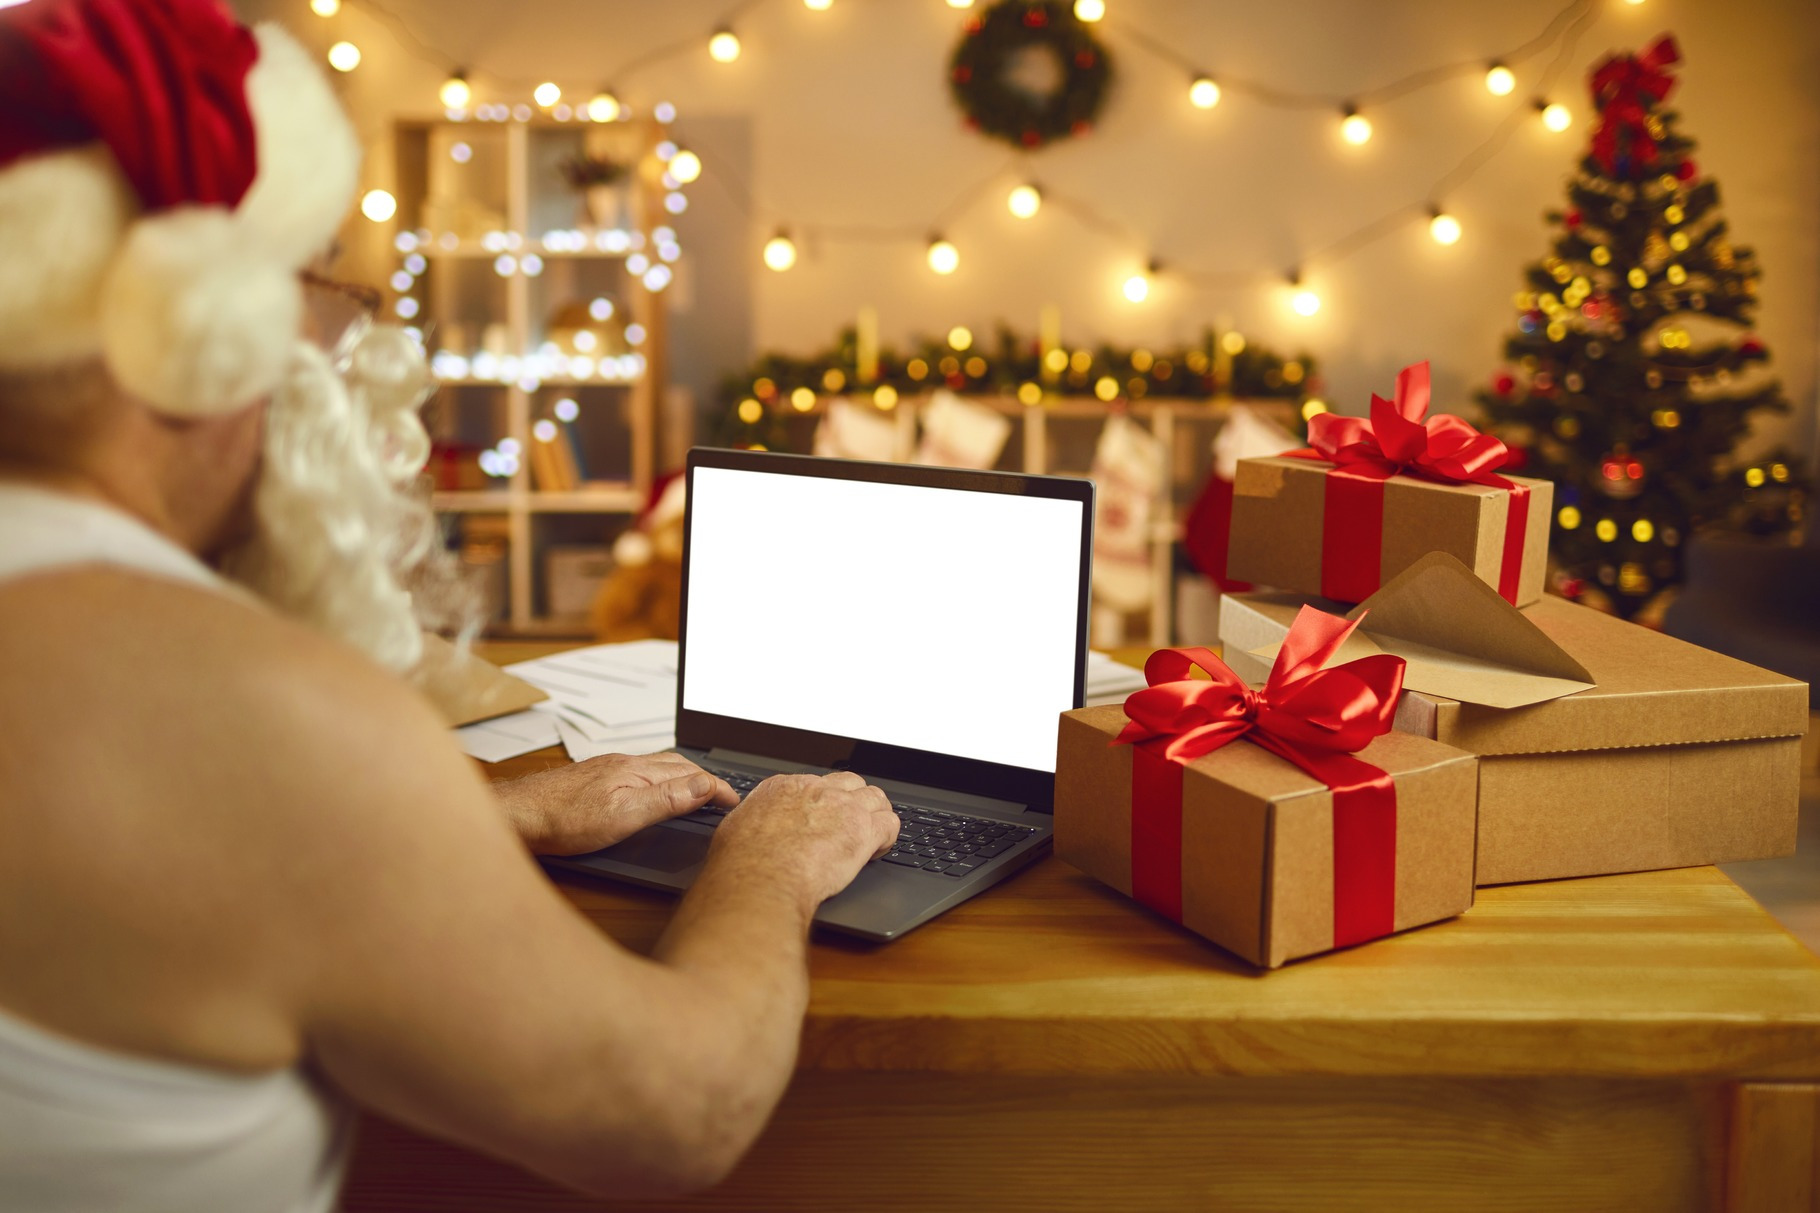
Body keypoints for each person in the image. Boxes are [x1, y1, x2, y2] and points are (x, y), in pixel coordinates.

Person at [0, 1, 898, 1208]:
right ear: (205, 338)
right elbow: (675, 1109)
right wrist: (776, 857)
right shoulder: (267, 721)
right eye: (311, 295)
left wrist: (496, 817)